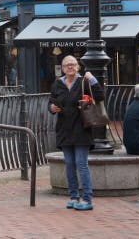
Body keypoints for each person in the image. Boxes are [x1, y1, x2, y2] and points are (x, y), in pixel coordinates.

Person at [49, 55, 104, 211]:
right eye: (67, 65)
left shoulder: (84, 82)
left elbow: (100, 96)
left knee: (81, 164)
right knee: (69, 165)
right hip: (64, 129)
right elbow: (51, 101)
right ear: (62, 68)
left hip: (81, 129)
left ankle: (87, 199)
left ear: (78, 67)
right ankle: (73, 197)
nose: (70, 67)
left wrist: (92, 79)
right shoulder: (57, 84)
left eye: (73, 64)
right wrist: (52, 108)